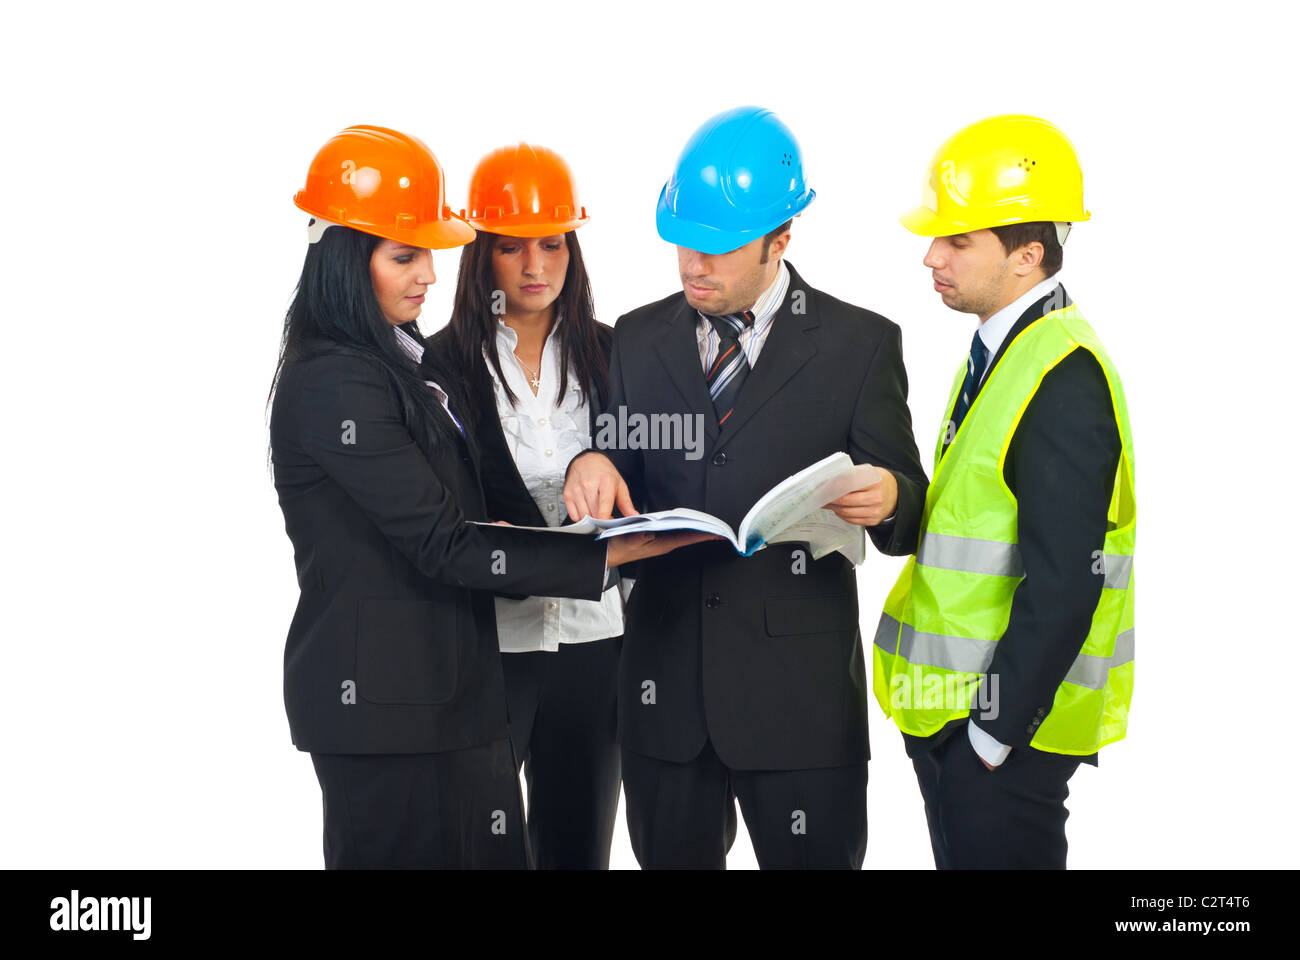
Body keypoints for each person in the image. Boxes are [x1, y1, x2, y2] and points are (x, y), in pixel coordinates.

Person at [268, 125, 708, 869]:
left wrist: (606, 474)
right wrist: (591, 554)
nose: (427, 276)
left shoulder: (401, 363)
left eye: (554, 242)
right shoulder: (390, 371)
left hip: (543, 652)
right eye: (406, 256)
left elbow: (661, 459)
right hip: (451, 664)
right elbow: (441, 536)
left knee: (563, 841)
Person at [563, 106, 929, 869]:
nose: (694, 266)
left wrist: (891, 497)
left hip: (798, 705)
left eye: (719, 250)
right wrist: (590, 463)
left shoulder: (861, 344)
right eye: (683, 245)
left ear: (781, 239)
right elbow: (622, 462)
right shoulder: (636, 336)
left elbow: (910, 502)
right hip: (665, 700)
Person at [873, 114, 1136, 869]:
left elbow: (1065, 583)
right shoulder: (1003, 346)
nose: (931, 257)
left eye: (958, 241)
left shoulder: (1063, 375)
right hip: (955, 725)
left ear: (1028, 255)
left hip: (1000, 739)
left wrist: (991, 735)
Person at [423, 143, 622, 869]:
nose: (535, 266)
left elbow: (656, 477)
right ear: (481, 255)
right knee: (479, 846)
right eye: (511, 248)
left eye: (552, 243)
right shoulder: (435, 367)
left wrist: (603, 461)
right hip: (488, 642)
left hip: (596, 640)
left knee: (579, 843)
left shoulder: (619, 356)